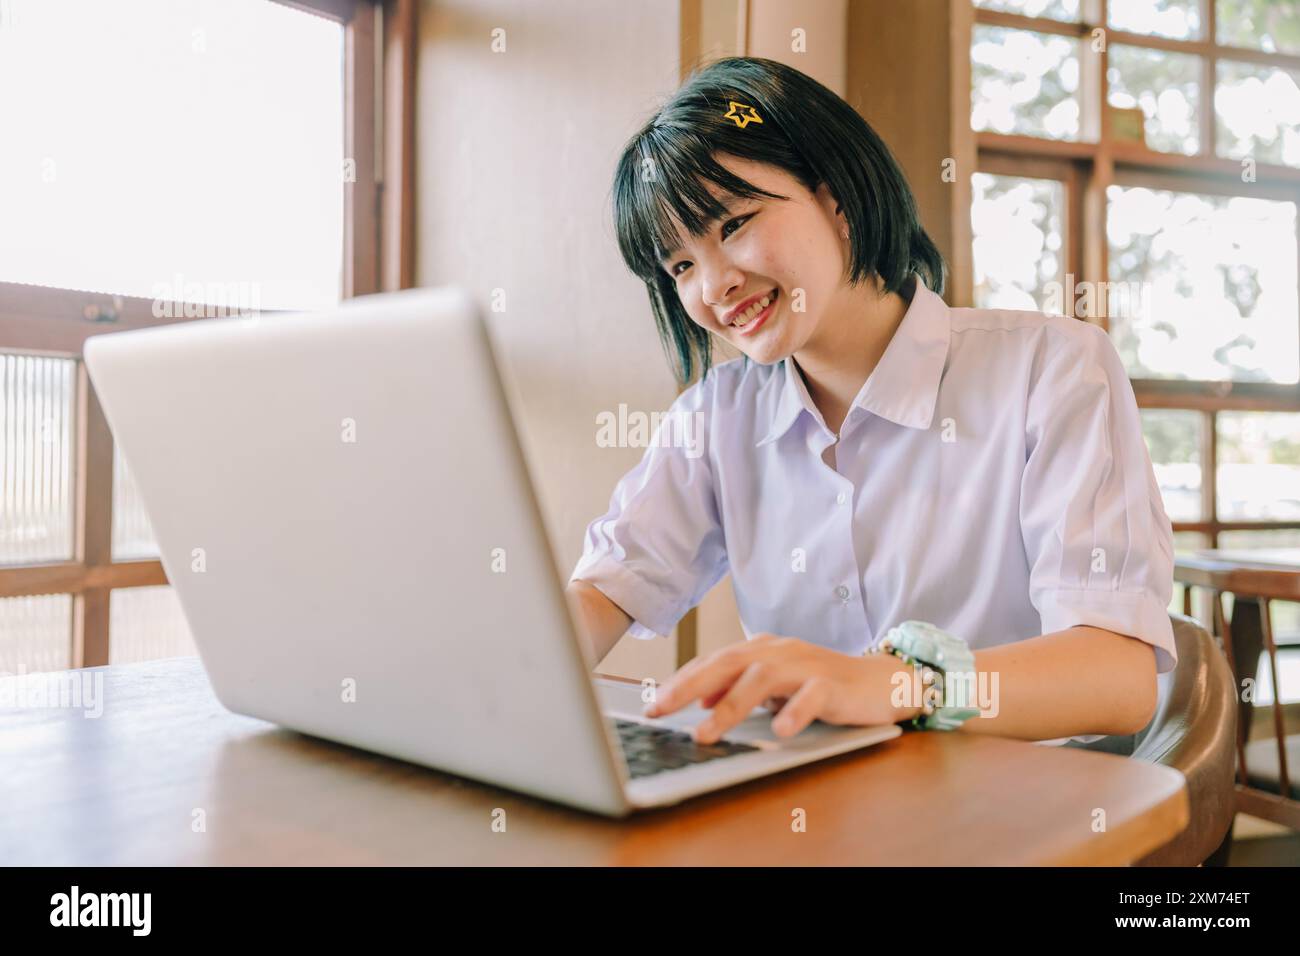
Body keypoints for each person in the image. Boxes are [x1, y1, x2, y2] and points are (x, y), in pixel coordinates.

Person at [565, 56, 1175, 750]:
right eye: (679, 266)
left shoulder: (1052, 368)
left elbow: (1116, 675)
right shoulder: (714, 418)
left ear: (837, 200)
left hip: (1021, 815)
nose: (713, 287)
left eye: (732, 224)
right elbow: (603, 591)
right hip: (818, 812)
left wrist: (898, 686)